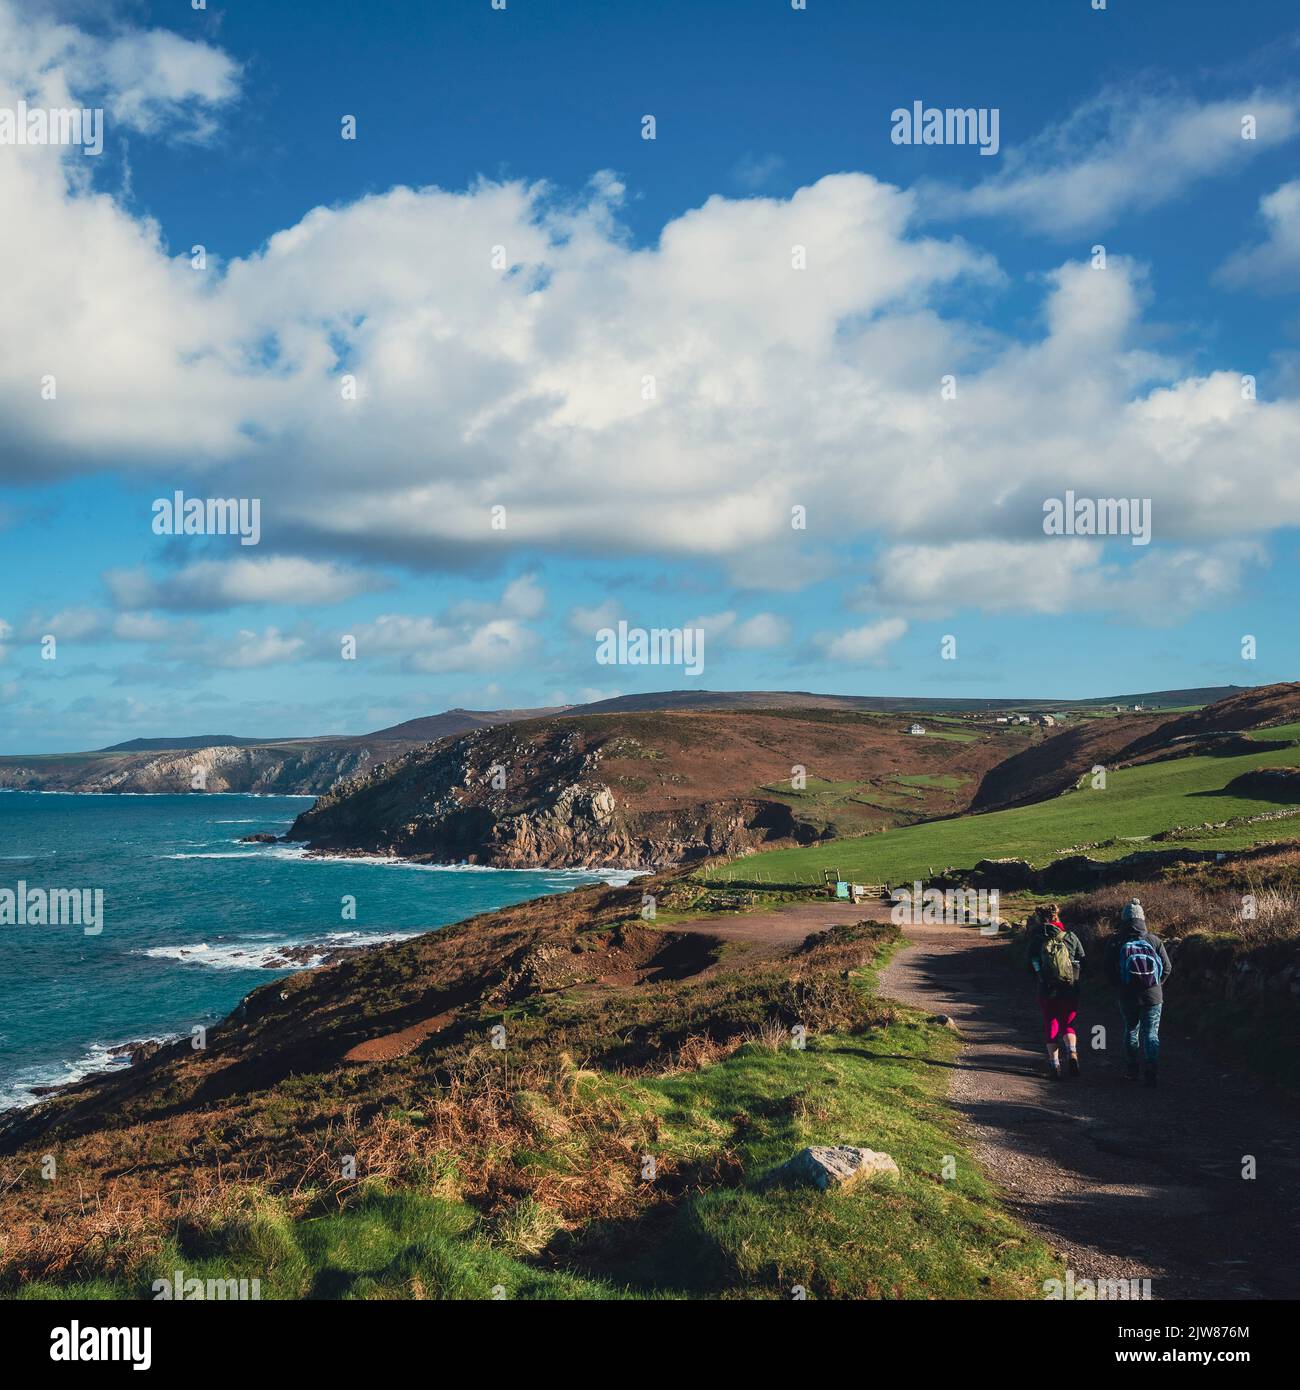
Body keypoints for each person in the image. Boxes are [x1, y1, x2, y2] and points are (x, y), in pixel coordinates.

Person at [1103, 897, 1173, 1087]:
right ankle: (1152, 1071)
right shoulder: (1154, 940)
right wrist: (1156, 984)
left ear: (1124, 919)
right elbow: (1167, 967)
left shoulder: (1116, 941)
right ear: (1142, 919)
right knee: (1151, 1033)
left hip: (1127, 995)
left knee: (1131, 1030)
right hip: (1153, 995)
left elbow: (1107, 969)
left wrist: (1119, 986)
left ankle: (1132, 1070)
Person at [1026, 902, 1085, 1080]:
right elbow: (1083, 959)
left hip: (1046, 989)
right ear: (1057, 917)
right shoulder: (1070, 936)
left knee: (1050, 1024)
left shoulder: (1037, 940)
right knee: (1068, 1024)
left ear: (1040, 920)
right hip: (1069, 988)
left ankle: (1054, 1065)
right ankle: (1072, 1053)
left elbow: (1028, 965)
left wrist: (1039, 978)